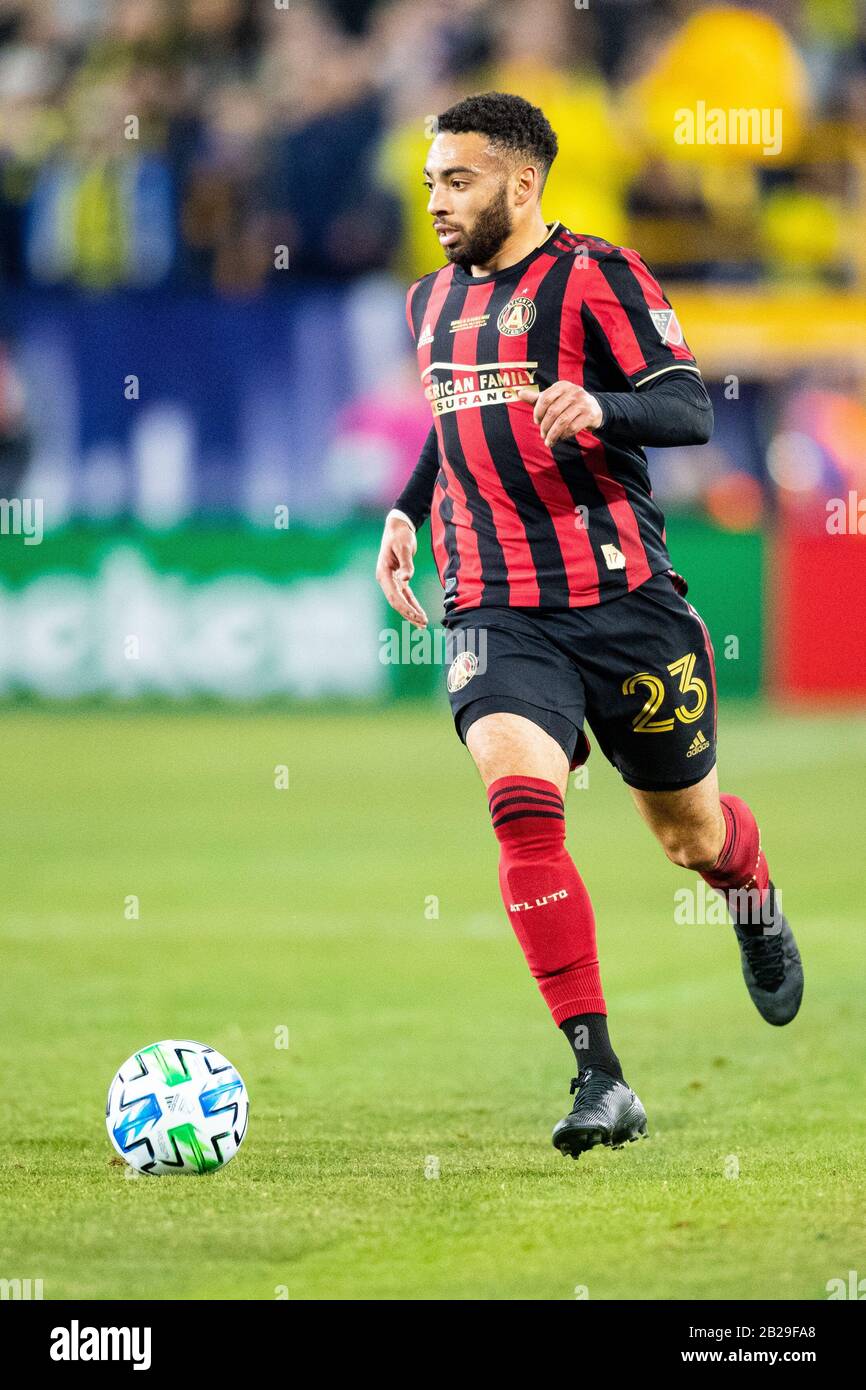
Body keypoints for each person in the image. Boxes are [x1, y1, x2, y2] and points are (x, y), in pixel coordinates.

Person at [375, 93, 802, 1160]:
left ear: (521, 184)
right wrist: (407, 506)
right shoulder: (428, 300)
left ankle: (747, 892)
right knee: (521, 808)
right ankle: (597, 1074)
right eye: (430, 180)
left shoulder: (598, 275)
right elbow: (453, 414)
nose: (436, 200)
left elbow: (689, 407)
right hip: (492, 604)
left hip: (622, 606)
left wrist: (603, 405)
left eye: (457, 179)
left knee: (686, 835)